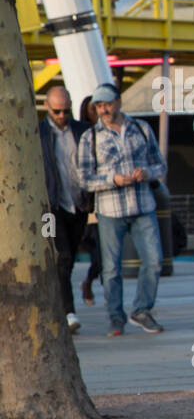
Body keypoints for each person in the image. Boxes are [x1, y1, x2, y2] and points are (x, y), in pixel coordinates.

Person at [76, 83, 167, 336]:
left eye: (107, 103)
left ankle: (142, 310)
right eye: (99, 105)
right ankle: (116, 318)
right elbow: (83, 178)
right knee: (111, 268)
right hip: (110, 210)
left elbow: (160, 166)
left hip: (143, 205)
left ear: (118, 102)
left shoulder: (141, 129)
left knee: (154, 261)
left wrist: (147, 173)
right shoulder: (90, 137)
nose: (103, 109)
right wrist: (112, 180)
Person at [39, 86, 92, 333]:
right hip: (51, 206)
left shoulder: (82, 131)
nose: (62, 115)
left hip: (78, 204)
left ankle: (56, 301)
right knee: (62, 256)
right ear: (47, 108)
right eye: (57, 111)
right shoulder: (37, 132)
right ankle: (68, 312)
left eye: (66, 110)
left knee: (68, 259)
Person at [78, 94, 101, 307]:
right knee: (99, 255)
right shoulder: (84, 135)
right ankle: (88, 283)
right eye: (94, 109)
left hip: (109, 204)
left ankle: (93, 282)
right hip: (89, 207)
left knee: (108, 256)